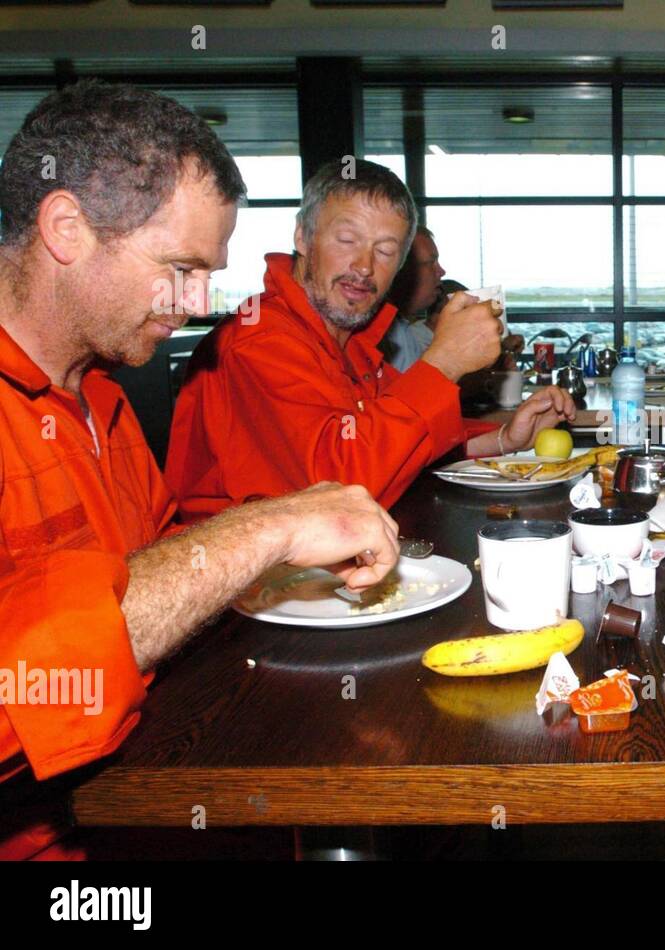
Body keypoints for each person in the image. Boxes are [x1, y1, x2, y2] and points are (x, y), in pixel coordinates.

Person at [0, 81, 400, 858]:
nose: (198, 300)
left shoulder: (102, 404)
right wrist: (269, 523)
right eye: (180, 267)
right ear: (65, 228)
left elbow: (162, 593)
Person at [165, 159, 576, 522]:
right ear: (304, 238)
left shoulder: (353, 341)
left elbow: (398, 437)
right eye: (347, 241)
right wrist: (443, 363)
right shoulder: (258, 341)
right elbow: (339, 490)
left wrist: (504, 439)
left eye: (384, 251)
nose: (363, 267)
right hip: (248, 597)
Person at [379, 225, 445, 372]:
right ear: (399, 271)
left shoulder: (402, 329)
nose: (441, 271)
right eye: (430, 263)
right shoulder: (380, 336)